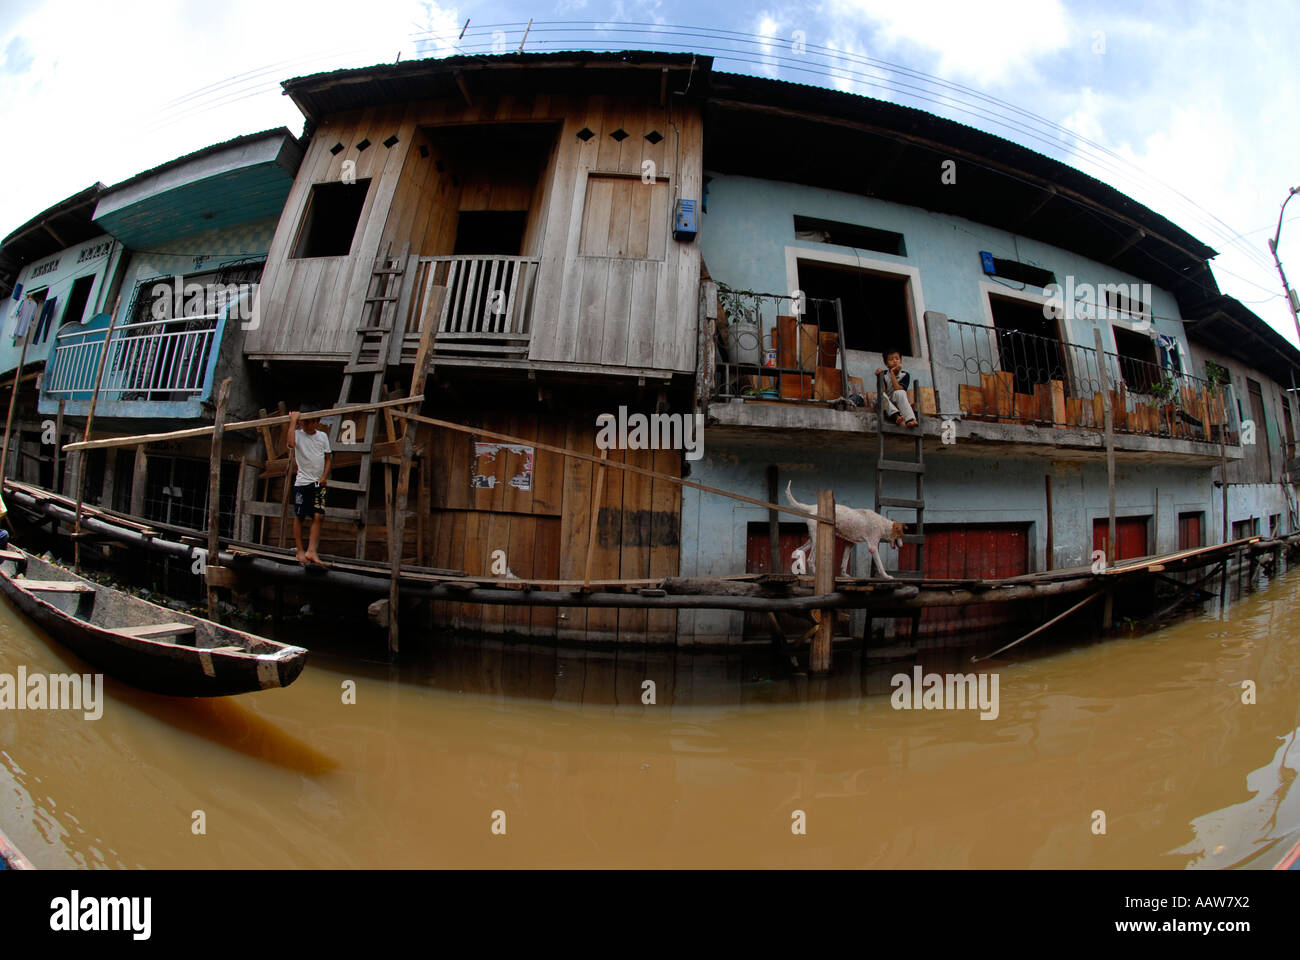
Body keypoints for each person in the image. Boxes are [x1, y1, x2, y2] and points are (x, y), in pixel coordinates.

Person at [287, 405, 331, 566]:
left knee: (318, 515)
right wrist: (293, 421)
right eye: (304, 422)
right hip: (302, 482)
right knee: (299, 516)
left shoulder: (322, 437)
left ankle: (312, 550)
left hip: (317, 483)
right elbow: (291, 443)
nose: (306, 425)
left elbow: (328, 459)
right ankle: (300, 550)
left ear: (317, 422)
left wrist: (324, 477)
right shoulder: (297, 434)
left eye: (310, 422)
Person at [874, 350, 918, 428]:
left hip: (896, 401)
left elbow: (897, 389)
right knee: (880, 395)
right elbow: (882, 391)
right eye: (891, 359)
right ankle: (896, 417)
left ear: (900, 361)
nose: (895, 361)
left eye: (897, 359)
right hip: (884, 402)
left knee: (900, 392)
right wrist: (879, 377)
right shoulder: (883, 374)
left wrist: (892, 373)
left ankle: (910, 420)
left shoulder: (905, 375)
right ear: (886, 364)